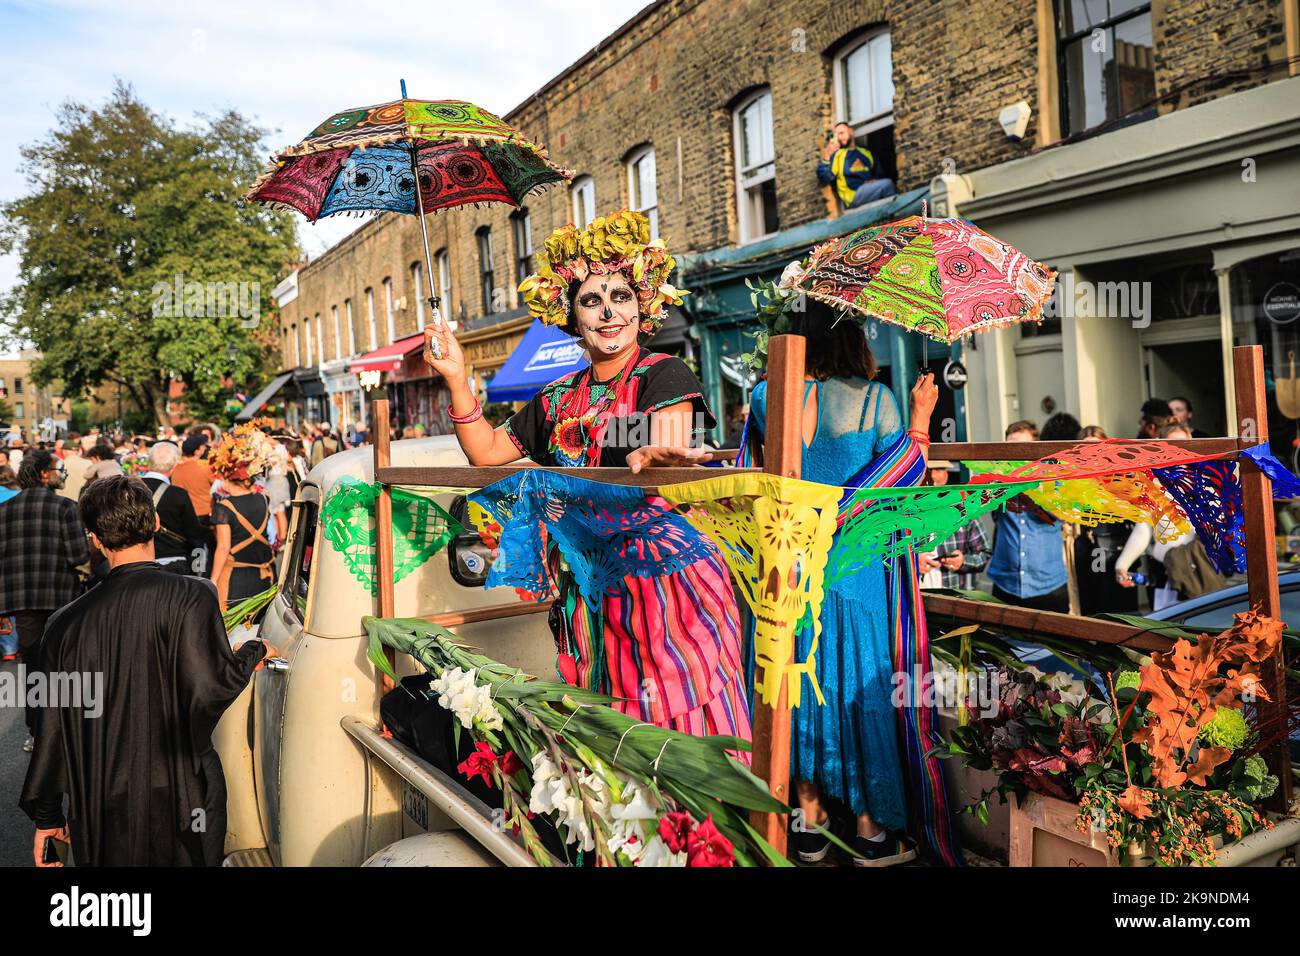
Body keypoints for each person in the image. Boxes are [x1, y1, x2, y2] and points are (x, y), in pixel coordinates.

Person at [424, 209, 751, 746]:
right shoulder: (556, 397)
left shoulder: (664, 374)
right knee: (610, 731)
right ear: (571, 316)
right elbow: (484, 453)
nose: (607, 313)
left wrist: (667, 459)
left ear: (642, 307)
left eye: (621, 296)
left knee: (678, 738)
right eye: (591, 301)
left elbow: (663, 461)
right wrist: (459, 377)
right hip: (589, 597)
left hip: (664, 590)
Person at [743, 296, 938, 867]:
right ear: (852, 339)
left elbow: (762, 469)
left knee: (798, 685)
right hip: (854, 574)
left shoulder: (764, 397)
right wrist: (922, 416)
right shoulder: (876, 400)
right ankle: (872, 831)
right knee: (861, 689)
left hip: (788, 570)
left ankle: (806, 821)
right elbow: (897, 480)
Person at [20, 476, 275, 866]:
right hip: (184, 788)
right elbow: (210, 689)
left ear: (94, 538)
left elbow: (49, 727)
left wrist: (48, 817)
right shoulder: (194, 596)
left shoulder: (63, 625)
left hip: (101, 795)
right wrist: (251, 652)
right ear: (155, 523)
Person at [0, 449, 89, 748]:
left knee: (33, 666)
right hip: (61, 597)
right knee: (64, 663)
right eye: (56, 468)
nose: (61, 473)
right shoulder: (66, 508)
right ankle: (64, 728)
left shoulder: (5, 510)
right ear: (43, 474)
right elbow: (78, 555)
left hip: (22, 600)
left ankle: (36, 732)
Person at [1114, 422, 1227, 609]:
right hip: (1168, 574)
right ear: (1160, 447)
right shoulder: (1151, 485)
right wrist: (1122, 565)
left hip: (1203, 571)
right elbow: (1143, 530)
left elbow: (1219, 527)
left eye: (1183, 444)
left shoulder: (1205, 481)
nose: (1178, 450)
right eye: (1172, 444)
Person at [986, 420, 1070, 613]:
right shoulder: (996, 479)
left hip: (1048, 585)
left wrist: (1031, 485)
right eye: (1010, 448)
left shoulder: (1053, 478)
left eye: (1022, 448)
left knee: (1055, 643)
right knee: (1002, 642)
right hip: (1005, 583)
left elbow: (1065, 514)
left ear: (1036, 450)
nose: (1015, 454)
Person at [208, 422, 277, 611]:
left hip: (237, 578)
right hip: (266, 575)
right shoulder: (263, 499)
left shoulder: (223, 508)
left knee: (235, 632)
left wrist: (213, 580)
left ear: (227, 476)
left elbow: (223, 547)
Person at [917, 460, 989, 590]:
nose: (932, 475)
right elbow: (886, 554)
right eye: (927, 470)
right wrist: (912, 563)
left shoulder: (966, 512)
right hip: (914, 598)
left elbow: (984, 555)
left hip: (951, 598)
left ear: (946, 474)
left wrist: (962, 561)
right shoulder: (905, 511)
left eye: (938, 469)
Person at [139, 440, 207, 575]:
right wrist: (199, 570)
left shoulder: (129, 490)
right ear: (175, 465)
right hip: (173, 562)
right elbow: (193, 534)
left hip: (138, 562)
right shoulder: (177, 494)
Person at [816, 122, 896, 209]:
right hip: (853, 196)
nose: (839, 137)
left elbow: (880, 173)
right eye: (837, 135)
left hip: (869, 190)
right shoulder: (838, 155)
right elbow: (824, 178)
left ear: (851, 131)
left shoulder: (866, 152)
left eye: (841, 133)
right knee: (887, 184)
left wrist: (874, 180)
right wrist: (827, 156)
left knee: (887, 182)